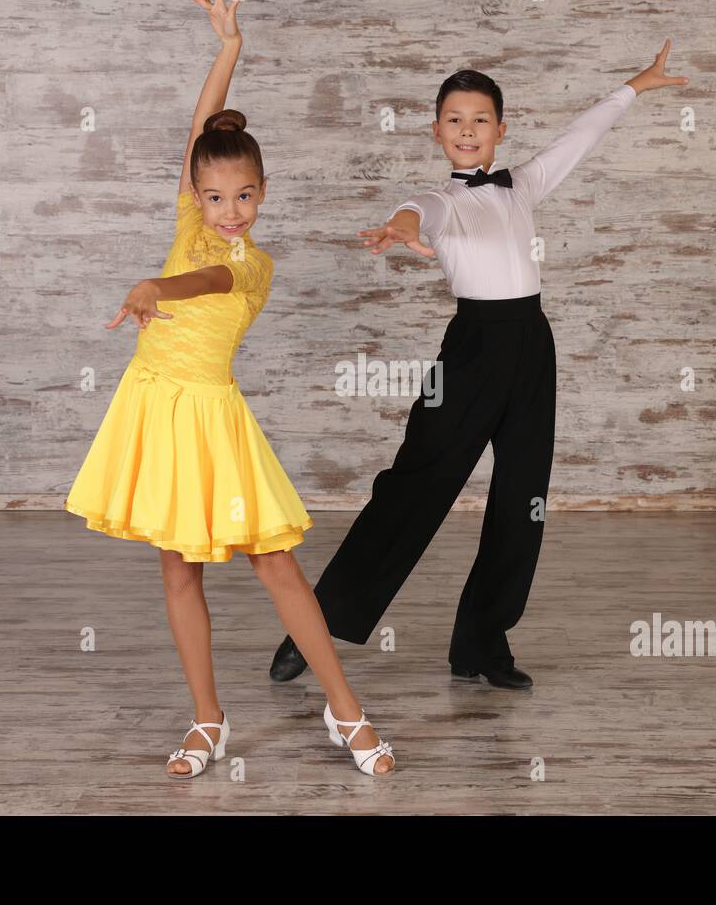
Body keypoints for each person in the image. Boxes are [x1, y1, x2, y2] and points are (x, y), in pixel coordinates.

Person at [271, 41, 688, 689]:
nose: (468, 131)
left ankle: (482, 644)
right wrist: (398, 227)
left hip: (532, 345)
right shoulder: (441, 198)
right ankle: (318, 621)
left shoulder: (523, 184)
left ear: (501, 128)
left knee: (523, 497)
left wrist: (635, 84)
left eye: (480, 120)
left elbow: (581, 136)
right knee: (415, 483)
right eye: (455, 120)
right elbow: (417, 211)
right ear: (438, 131)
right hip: (472, 349)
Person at [65, 0, 395, 777]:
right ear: (198, 195)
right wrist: (230, 47)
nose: (229, 210)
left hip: (212, 419)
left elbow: (203, 286)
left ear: (262, 193)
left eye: (243, 195)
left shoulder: (252, 265)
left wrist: (154, 287)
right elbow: (197, 131)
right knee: (178, 569)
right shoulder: (191, 214)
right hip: (153, 406)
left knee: (274, 563)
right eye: (214, 196)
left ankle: (344, 710)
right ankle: (207, 720)